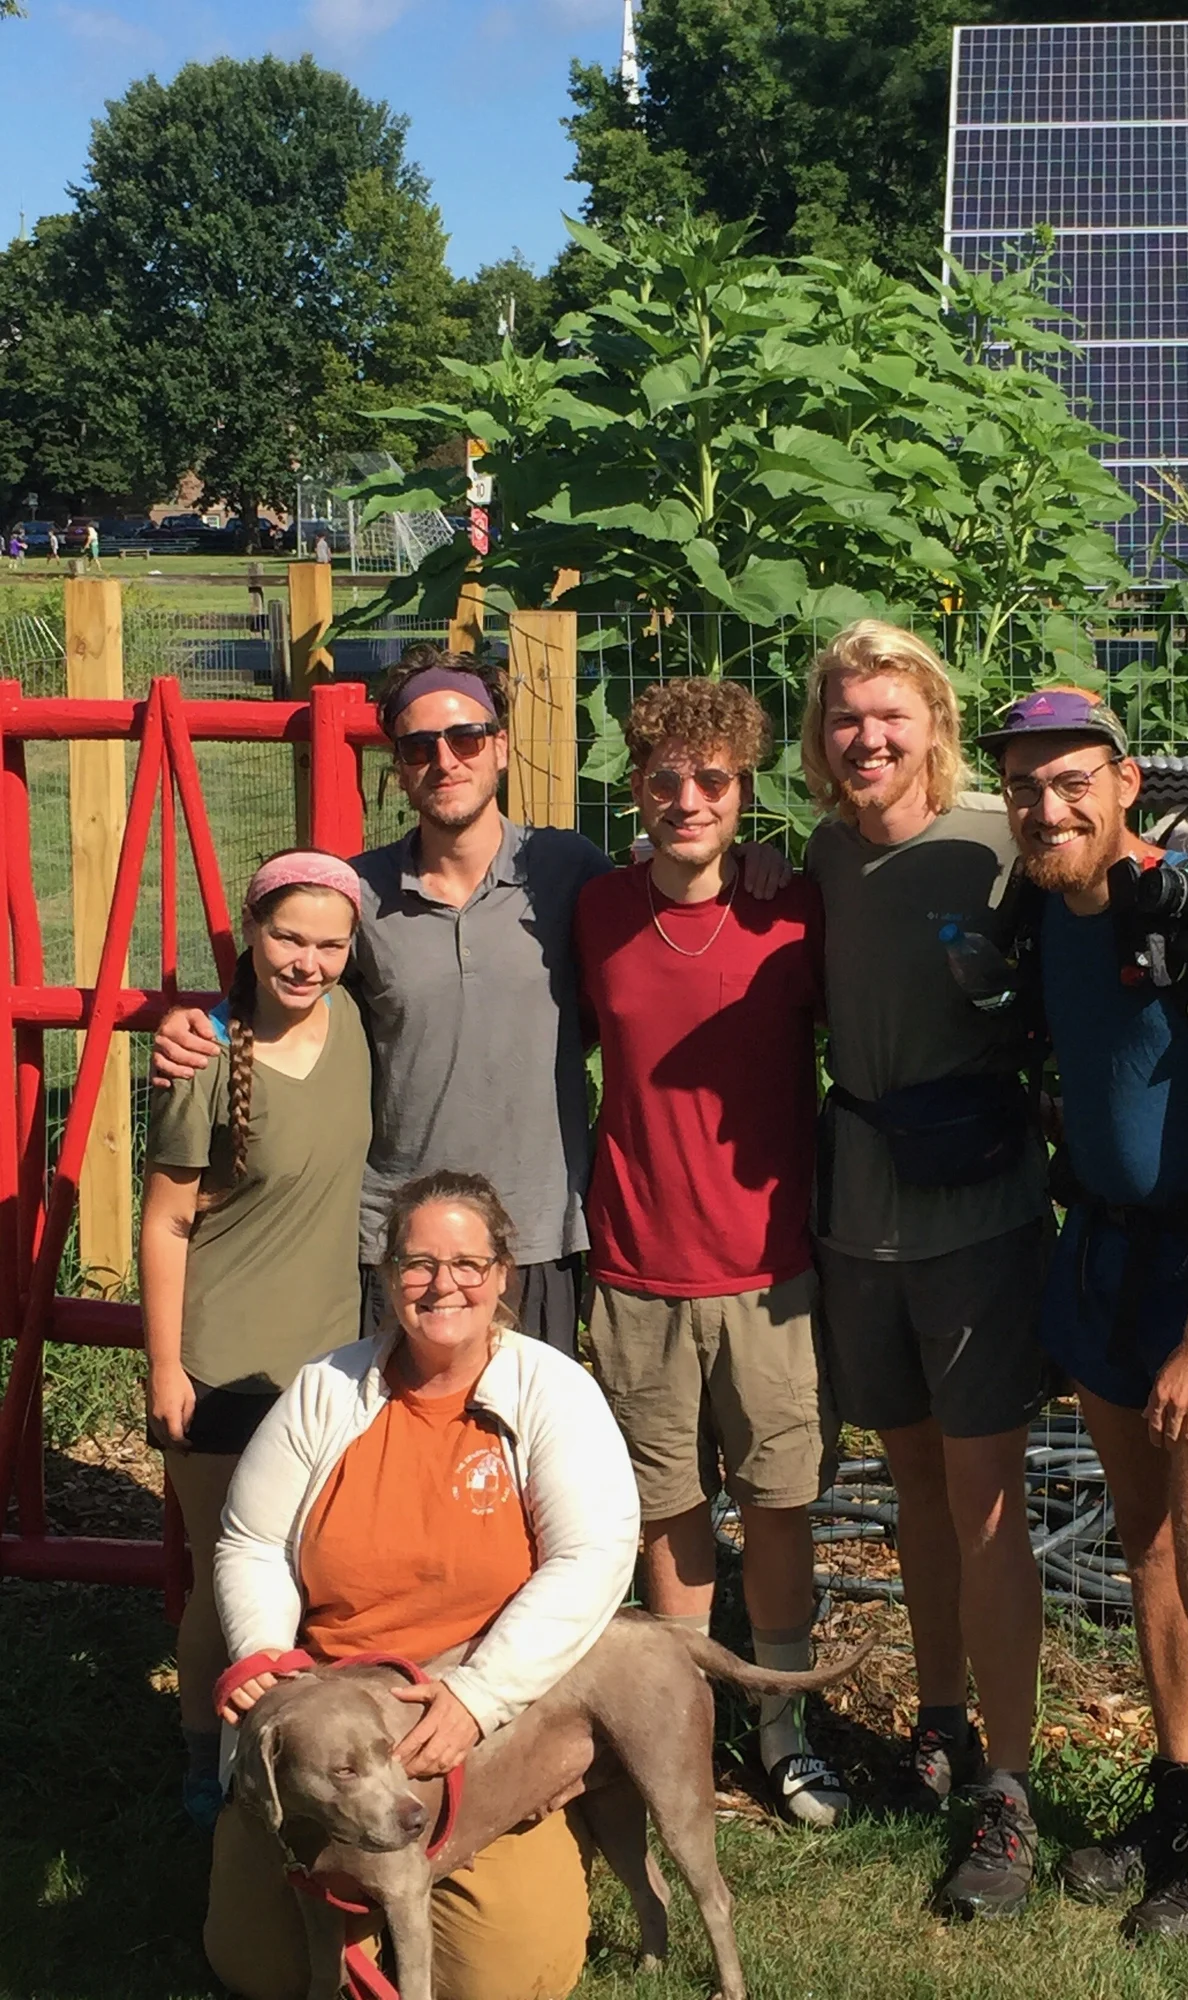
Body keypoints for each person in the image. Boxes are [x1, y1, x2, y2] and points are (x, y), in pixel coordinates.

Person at [153, 645, 789, 1354]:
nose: (446, 760)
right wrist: (201, 1023)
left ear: (502, 749)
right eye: (420, 746)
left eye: (466, 738)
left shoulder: (567, 870)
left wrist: (755, 861)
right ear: (399, 766)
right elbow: (282, 985)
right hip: (398, 1234)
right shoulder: (359, 895)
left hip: (535, 1231)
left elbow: (673, 886)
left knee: (520, 1452)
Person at [986, 685, 1188, 1941]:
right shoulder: (1053, 912)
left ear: (1126, 782)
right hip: (1102, 1261)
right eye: (1024, 786)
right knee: (1146, 1545)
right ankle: (1177, 1790)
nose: (1047, 806)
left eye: (1073, 782)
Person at [205, 1168, 640, 2000]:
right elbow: (252, 1538)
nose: (443, 1285)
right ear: (387, 1275)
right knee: (259, 1969)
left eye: (467, 1264)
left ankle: (536, 1826)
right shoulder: (325, 1390)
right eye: (418, 1264)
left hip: (478, 1720)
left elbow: (595, 1554)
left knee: (513, 1979)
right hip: (331, 1717)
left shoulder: (553, 1390)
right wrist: (266, 1655)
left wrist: (481, 1696)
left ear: (503, 1275)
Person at [799, 619, 1054, 1917]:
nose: (869, 737)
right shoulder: (825, 856)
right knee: (912, 1483)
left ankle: (1009, 1781)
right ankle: (941, 1721)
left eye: (890, 714)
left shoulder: (997, 842)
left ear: (934, 721)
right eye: (846, 716)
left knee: (986, 1493)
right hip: (859, 1217)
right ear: (821, 734)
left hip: (977, 1216)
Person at [575, 677, 847, 1827]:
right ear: (636, 787)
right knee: (669, 1508)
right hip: (636, 1266)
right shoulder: (594, 912)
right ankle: (680, 1720)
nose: (688, 799)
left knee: (779, 1502)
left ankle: (782, 1722)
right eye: (665, 779)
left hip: (769, 1270)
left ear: (746, 791)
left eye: (713, 780)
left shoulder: (796, 911)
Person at [139, 850, 368, 1830]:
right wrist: (163, 1365)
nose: (308, 961)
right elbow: (165, 1220)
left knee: (317, 1568)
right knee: (226, 1579)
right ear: (250, 930)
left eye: (330, 942)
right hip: (222, 1363)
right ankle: (206, 1752)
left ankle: (303, 1749)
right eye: (288, 936)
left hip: (330, 1363)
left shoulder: (354, 1025)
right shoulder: (209, 1058)